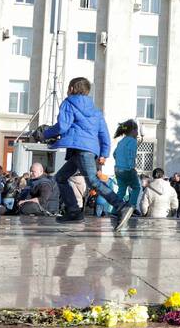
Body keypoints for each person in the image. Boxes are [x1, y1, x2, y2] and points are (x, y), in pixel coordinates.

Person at [43, 77, 135, 232]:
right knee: (60, 177)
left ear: (72, 88)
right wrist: (104, 153)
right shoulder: (95, 110)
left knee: (93, 181)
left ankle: (121, 206)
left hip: (80, 149)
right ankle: (73, 211)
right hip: (88, 150)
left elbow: (63, 126)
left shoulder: (69, 103)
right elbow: (104, 133)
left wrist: (45, 133)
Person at [112, 121, 142, 215]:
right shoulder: (132, 141)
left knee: (121, 190)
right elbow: (131, 155)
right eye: (137, 130)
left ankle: (115, 211)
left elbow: (114, 154)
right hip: (127, 169)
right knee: (136, 188)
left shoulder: (121, 141)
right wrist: (131, 167)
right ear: (133, 130)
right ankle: (130, 209)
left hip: (118, 169)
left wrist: (119, 162)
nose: (138, 133)